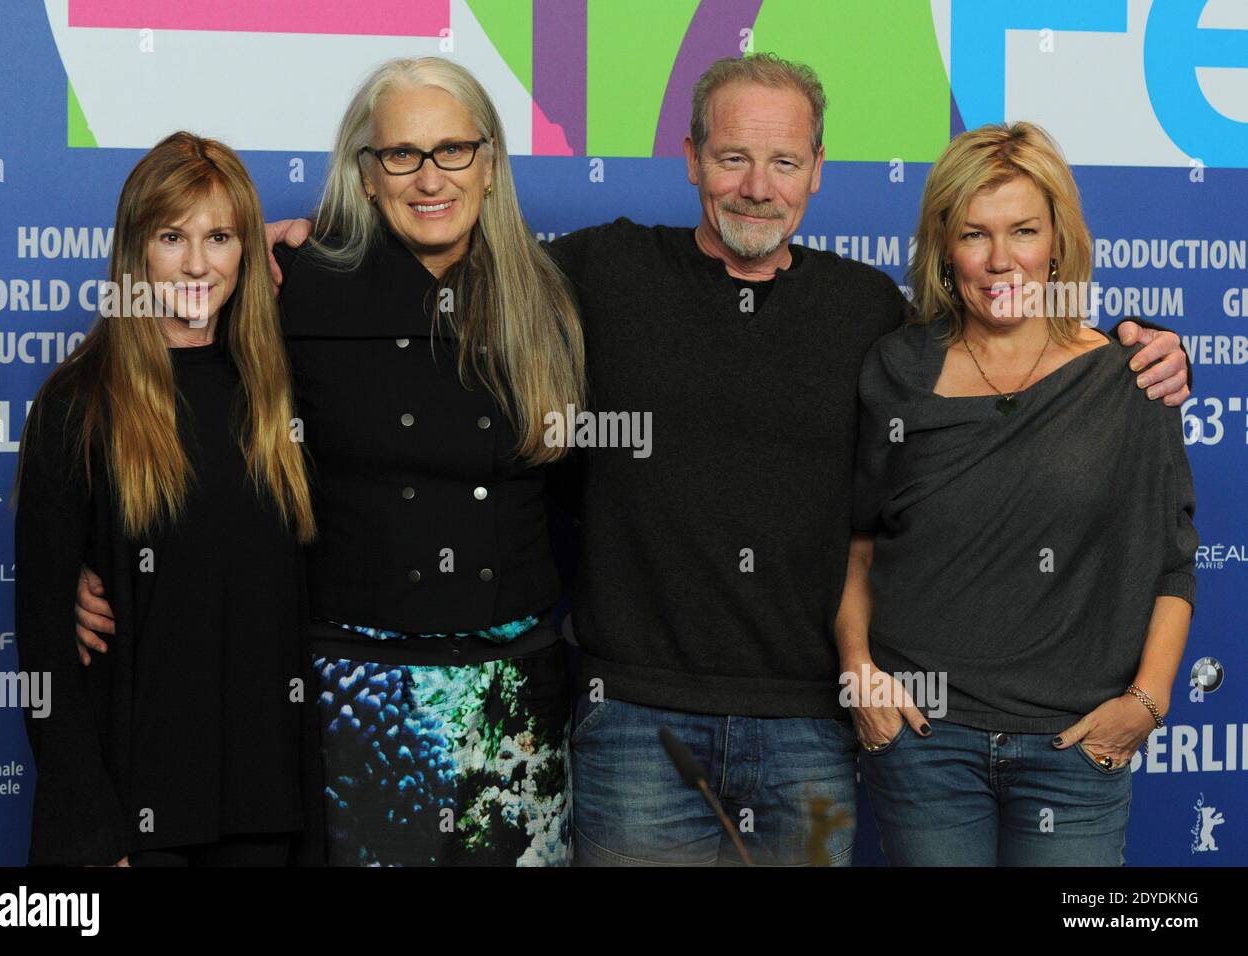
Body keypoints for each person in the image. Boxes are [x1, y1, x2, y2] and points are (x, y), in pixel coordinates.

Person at [264, 54, 1189, 867]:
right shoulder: (595, 272)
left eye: (784, 161)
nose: (756, 186)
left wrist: (1136, 347)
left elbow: (1000, 351)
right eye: (733, 157)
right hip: (631, 722)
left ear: (818, 171)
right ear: (693, 156)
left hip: (811, 733)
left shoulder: (867, 313)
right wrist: (309, 247)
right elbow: (456, 252)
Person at [75, 58, 586, 866]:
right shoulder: (293, 287)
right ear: (366, 173)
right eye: (401, 155)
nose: (429, 176)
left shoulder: (553, 296)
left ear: (490, 167)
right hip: (359, 691)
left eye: (454, 149)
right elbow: (184, 428)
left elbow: (607, 493)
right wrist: (95, 561)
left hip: (516, 693)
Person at [840, 122, 1196, 866]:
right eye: (974, 234)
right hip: (924, 744)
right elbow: (860, 540)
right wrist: (859, 672)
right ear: (944, 248)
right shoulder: (896, 370)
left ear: (1059, 241)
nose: (1001, 261)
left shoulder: (1133, 376)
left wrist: (1147, 705)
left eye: (1024, 231)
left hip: (1076, 752)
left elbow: (1171, 562)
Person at [15, 131, 317, 867]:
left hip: (268, 809)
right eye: (171, 236)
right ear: (135, 252)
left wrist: (300, 239)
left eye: (219, 237)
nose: (195, 263)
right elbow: (45, 648)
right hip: (133, 820)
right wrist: (93, 837)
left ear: (248, 251)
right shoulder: (80, 403)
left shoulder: (283, 393)